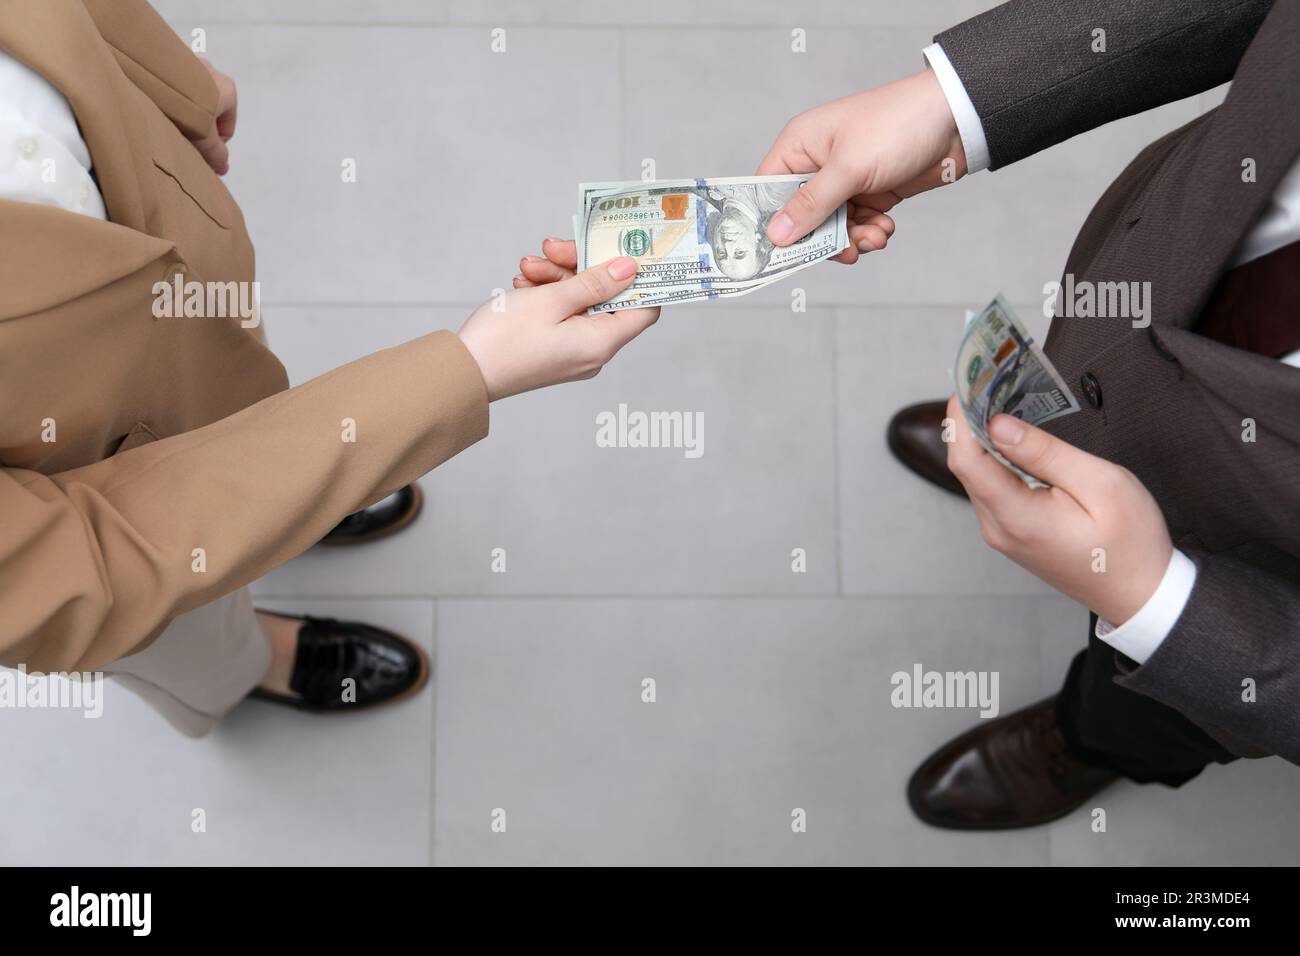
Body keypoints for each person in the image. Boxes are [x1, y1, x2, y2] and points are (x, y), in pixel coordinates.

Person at [529, 0, 1300, 830]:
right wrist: (954, 100)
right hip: (1174, 250)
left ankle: (1092, 741)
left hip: (1260, 569)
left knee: (1150, 700)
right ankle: (1019, 442)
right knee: (1062, 374)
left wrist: (1162, 604)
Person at [0, 0, 657, 737]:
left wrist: (171, 78)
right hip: (116, 506)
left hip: (175, 258)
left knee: (248, 383)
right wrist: (466, 370)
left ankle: (314, 484)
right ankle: (257, 665)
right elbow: (85, 569)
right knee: (194, 633)